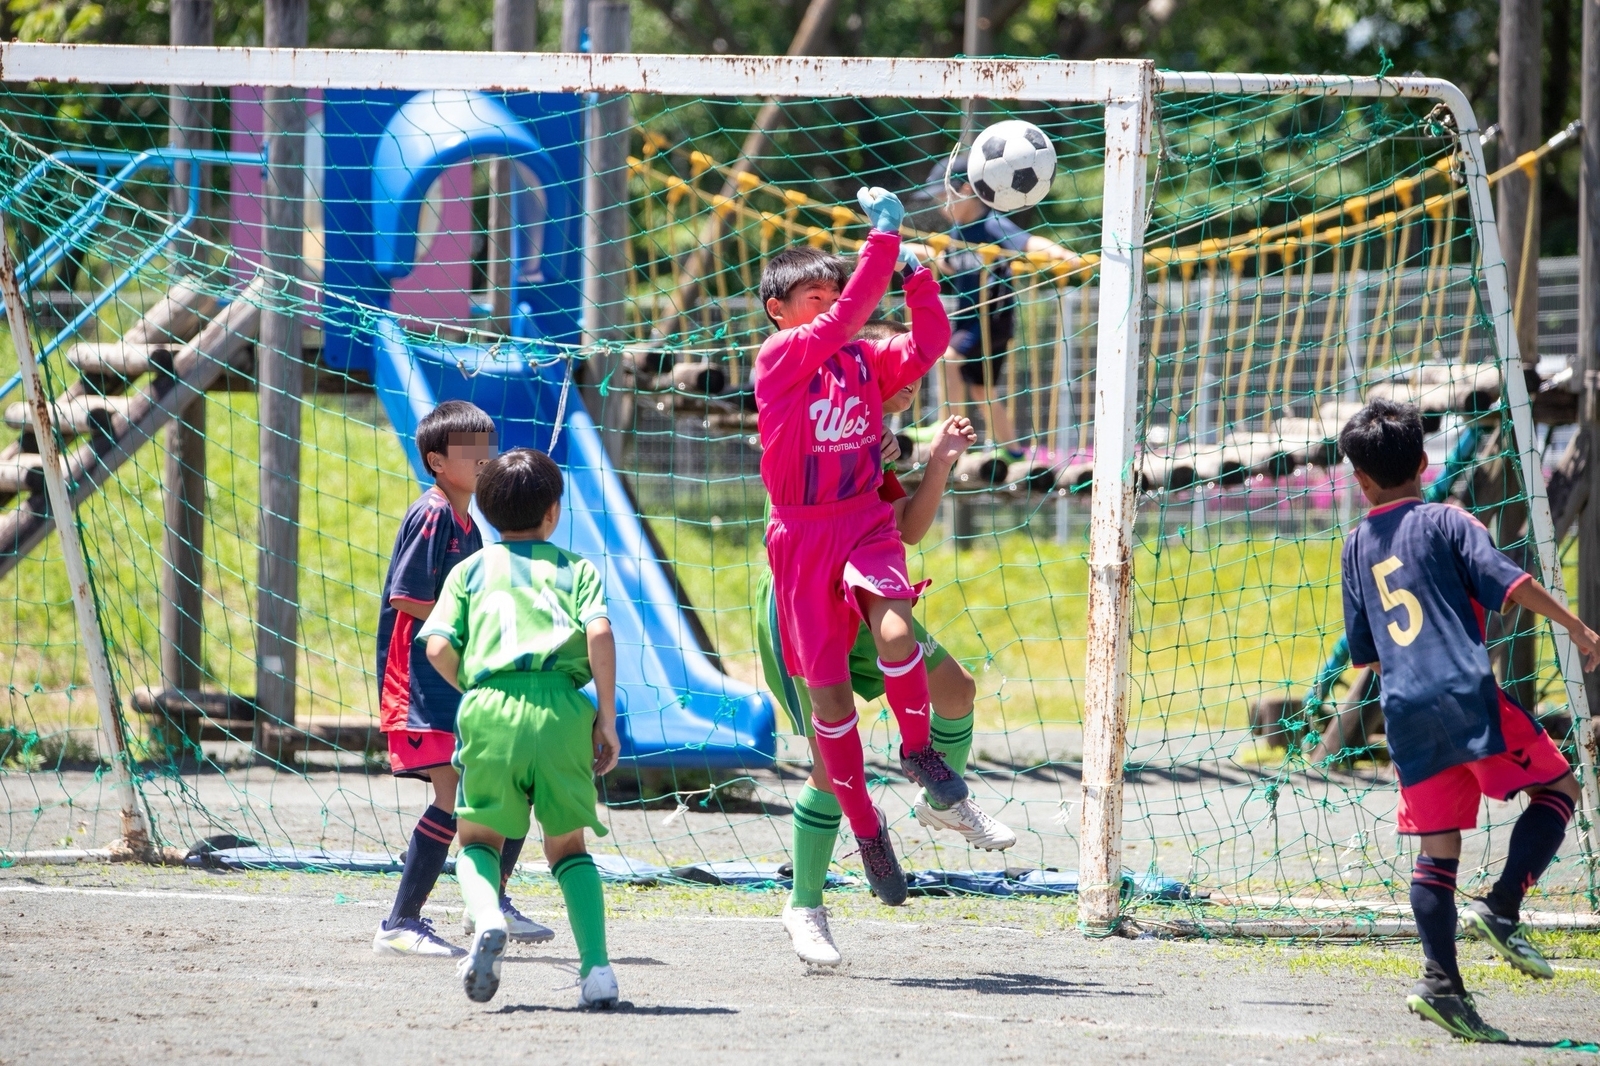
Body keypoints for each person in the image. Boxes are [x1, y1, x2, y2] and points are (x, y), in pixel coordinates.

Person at [1338, 399, 1600, 1043]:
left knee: (1437, 851)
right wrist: (1577, 626)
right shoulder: (1449, 521)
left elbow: (1365, 652)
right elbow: (1509, 583)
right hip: (1465, 695)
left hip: (1404, 712)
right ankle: (1504, 905)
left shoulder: (1354, 546)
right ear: (1426, 464)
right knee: (1561, 787)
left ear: (1359, 480)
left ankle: (1442, 984)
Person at [759, 375, 1018, 966]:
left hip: (867, 592)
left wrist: (939, 465)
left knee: (955, 689)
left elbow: (904, 528)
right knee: (829, 765)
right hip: (804, 599)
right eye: (902, 370)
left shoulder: (880, 438)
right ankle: (805, 906)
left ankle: (941, 796)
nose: (912, 383)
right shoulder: (811, 416)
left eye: (919, 372)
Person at [754, 186, 956, 911]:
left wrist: (918, 274)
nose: (831, 302)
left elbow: (928, 343)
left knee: (898, 627)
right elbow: (847, 318)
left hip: (864, 523)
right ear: (780, 311)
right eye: (814, 294)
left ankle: (918, 748)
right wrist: (883, 240)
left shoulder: (862, 361)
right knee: (830, 707)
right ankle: (869, 833)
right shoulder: (781, 358)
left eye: (834, 291)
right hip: (802, 538)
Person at [419, 447, 621, 1008]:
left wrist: (478, 690)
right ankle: (597, 972)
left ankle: (487, 917)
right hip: (562, 709)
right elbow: (600, 636)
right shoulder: (576, 568)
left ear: (485, 513)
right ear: (553, 513)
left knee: (478, 840)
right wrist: (605, 718)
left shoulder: (469, 569)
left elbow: (436, 646)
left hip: (489, 705)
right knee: (568, 849)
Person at [371, 400, 552, 957]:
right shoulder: (432, 515)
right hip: (423, 683)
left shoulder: (471, 522)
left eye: (489, 448)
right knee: (455, 795)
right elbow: (407, 596)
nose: (484, 459)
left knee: (510, 783)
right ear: (435, 461)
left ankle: (490, 904)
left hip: (458, 681)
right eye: (470, 450)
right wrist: (471, 626)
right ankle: (400, 922)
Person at [909, 155, 1077, 466]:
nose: (941, 208)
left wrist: (1057, 252)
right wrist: (904, 250)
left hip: (990, 321)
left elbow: (1027, 243)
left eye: (944, 199)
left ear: (964, 190)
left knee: (948, 359)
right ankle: (1013, 450)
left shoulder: (992, 225)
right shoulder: (959, 233)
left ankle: (948, 425)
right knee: (982, 390)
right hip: (967, 321)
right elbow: (945, 260)